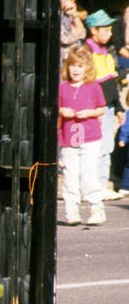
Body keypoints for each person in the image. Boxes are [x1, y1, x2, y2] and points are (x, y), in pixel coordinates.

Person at [58, 45, 106, 226]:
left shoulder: (93, 86)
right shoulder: (62, 88)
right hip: (69, 139)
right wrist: (63, 111)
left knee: (88, 173)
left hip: (91, 138)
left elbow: (101, 108)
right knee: (70, 175)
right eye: (72, 65)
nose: (75, 70)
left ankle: (96, 208)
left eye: (79, 66)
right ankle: (71, 210)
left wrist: (90, 113)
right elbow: (58, 109)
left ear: (87, 68)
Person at [82, 10, 124, 199]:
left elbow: (110, 83)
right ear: (93, 31)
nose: (109, 33)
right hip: (96, 107)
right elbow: (89, 83)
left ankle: (101, 183)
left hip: (108, 106)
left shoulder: (106, 51)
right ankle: (93, 186)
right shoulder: (88, 51)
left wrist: (118, 108)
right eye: (105, 30)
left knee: (107, 145)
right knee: (96, 147)